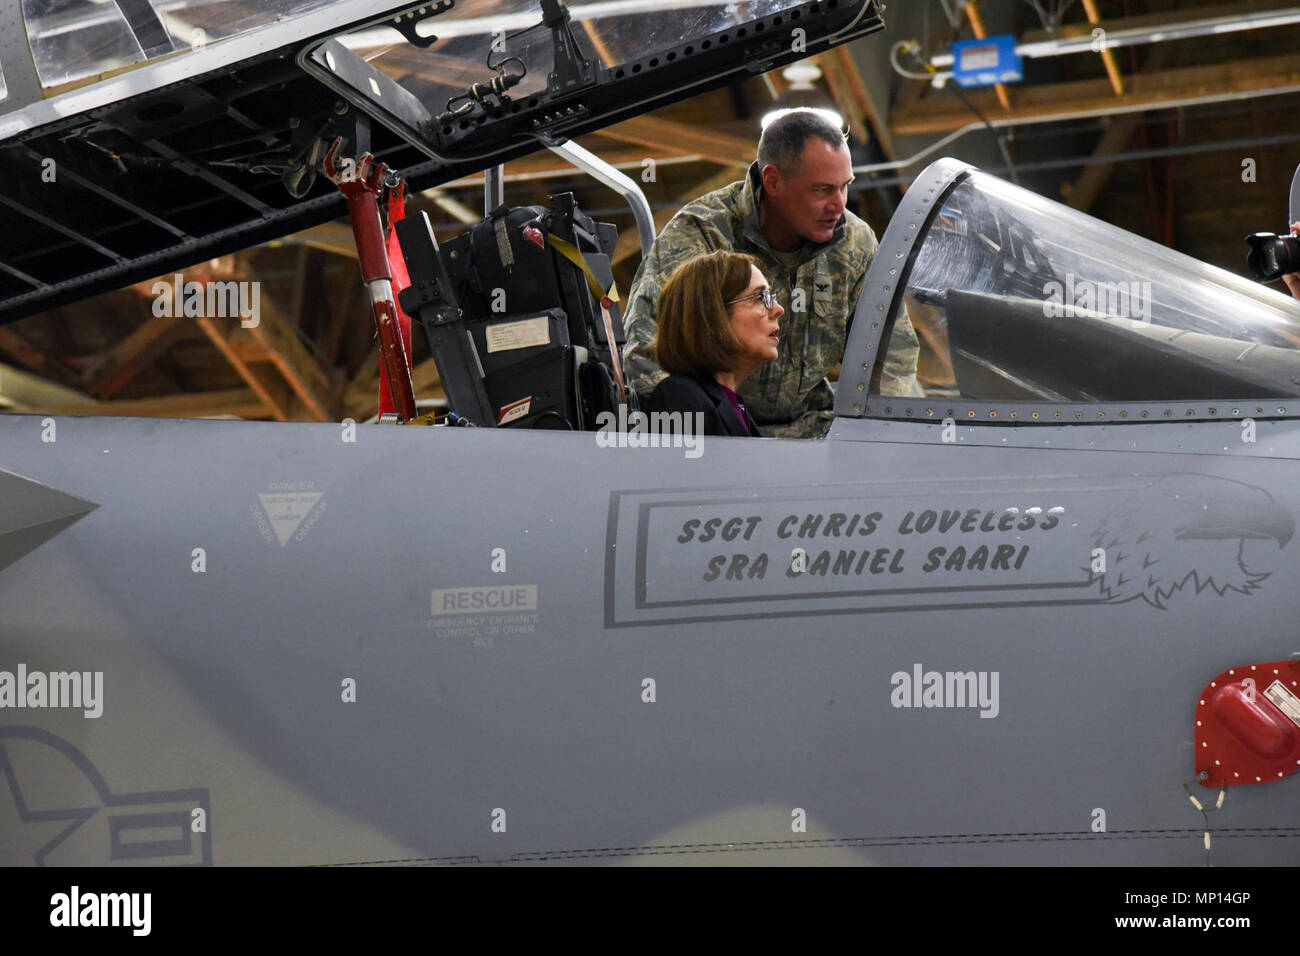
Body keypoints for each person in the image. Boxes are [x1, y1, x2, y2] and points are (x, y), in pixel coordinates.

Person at [622, 108, 921, 439]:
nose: (839, 205)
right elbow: (649, 359)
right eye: (822, 190)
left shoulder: (854, 243)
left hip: (816, 438)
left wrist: (883, 440)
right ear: (774, 181)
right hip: (722, 436)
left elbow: (892, 357)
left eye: (845, 187)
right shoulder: (701, 235)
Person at [640, 251, 780, 437]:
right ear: (712, 315)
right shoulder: (680, 398)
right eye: (760, 297)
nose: (779, 309)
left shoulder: (734, 405)